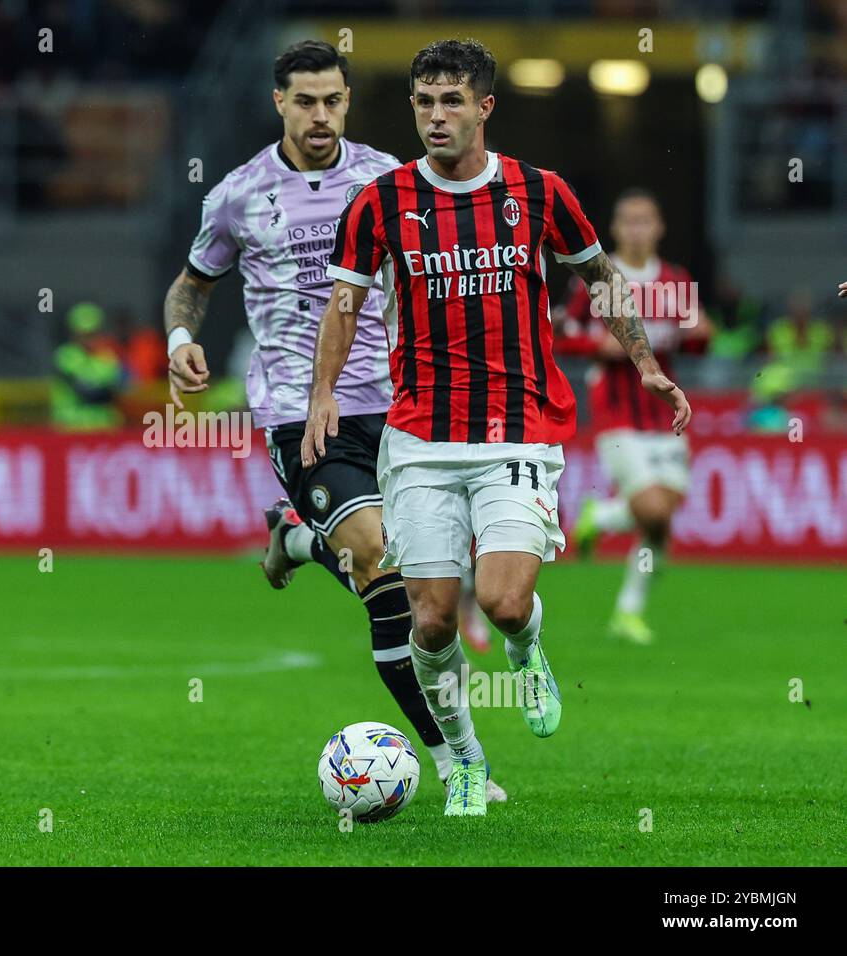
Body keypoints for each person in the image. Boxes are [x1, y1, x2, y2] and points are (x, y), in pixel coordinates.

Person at [303, 39, 691, 816]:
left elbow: (599, 277)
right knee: (435, 615)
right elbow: (344, 304)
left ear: (484, 106)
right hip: (418, 437)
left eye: (451, 101)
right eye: (422, 101)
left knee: (506, 602)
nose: (435, 116)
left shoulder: (539, 192)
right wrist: (322, 395)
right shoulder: (379, 203)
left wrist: (643, 361)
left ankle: (525, 650)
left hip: (516, 431)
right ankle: (468, 763)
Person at [165, 39, 502, 801]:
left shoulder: (386, 178)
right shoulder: (238, 194)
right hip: (300, 412)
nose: (320, 115)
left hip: (402, 404)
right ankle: (458, 760)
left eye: (333, 100)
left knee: (426, 587)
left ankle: (296, 537)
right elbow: (192, 284)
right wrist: (182, 338)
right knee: (384, 573)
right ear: (278, 102)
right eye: (305, 101)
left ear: (348, 101)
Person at [559, 188, 712, 645]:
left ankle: (628, 609)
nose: (637, 229)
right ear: (615, 228)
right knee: (649, 507)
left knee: (661, 519)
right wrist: (597, 347)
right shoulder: (601, 279)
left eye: (645, 221)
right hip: (617, 416)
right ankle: (604, 517)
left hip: (667, 417)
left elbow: (697, 341)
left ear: (659, 227)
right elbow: (560, 334)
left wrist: (700, 332)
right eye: (629, 221)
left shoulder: (675, 280)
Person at [50, 301, 125, 430]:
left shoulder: (108, 356)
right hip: (72, 428)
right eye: (85, 334)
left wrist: (104, 391)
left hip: (104, 428)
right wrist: (105, 391)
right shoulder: (66, 356)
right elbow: (86, 393)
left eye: (93, 333)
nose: (89, 339)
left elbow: (122, 389)